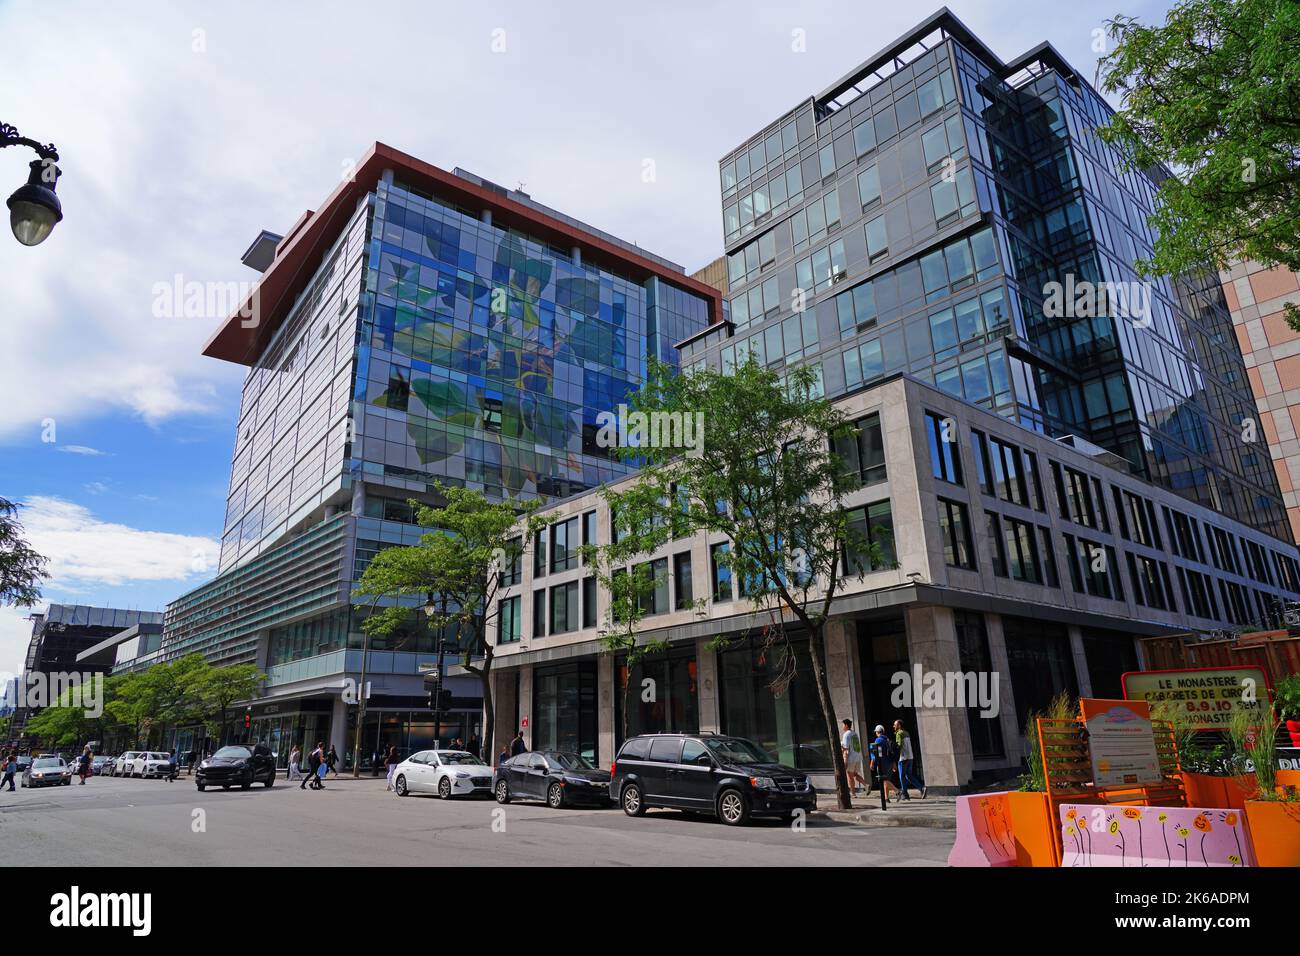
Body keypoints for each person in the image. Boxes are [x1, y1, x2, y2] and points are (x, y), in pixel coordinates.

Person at [893, 720, 926, 800]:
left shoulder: (899, 733)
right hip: (910, 757)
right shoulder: (907, 732)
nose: (893, 726)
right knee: (909, 775)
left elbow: (899, 745)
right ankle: (921, 788)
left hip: (903, 758)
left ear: (899, 725)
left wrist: (893, 752)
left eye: (895, 725)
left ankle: (904, 794)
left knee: (902, 776)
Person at [869, 724, 898, 802]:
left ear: (878, 732)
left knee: (883, 779)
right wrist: (894, 763)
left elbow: (875, 752)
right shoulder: (887, 739)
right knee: (886, 779)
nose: (875, 733)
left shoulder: (878, 740)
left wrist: (872, 762)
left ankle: (898, 791)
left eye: (876, 732)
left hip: (882, 763)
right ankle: (886, 798)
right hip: (889, 762)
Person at [840, 719, 866, 795]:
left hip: (851, 758)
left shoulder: (846, 735)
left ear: (846, 725)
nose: (842, 726)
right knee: (854, 774)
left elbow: (846, 749)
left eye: (843, 725)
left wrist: (845, 761)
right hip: (858, 757)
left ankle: (853, 794)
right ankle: (866, 785)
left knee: (850, 776)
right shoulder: (854, 733)